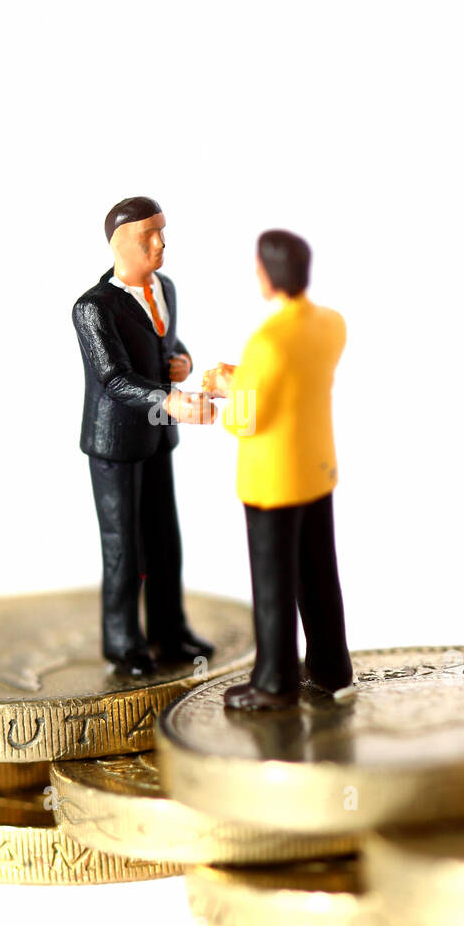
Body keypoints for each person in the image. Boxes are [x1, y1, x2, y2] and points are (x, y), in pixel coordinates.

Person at [203, 230, 353, 709]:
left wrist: (228, 389)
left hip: (274, 480)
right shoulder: (330, 323)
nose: (256, 274)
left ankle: (274, 681)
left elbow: (248, 419)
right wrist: (243, 377)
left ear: (271, 275)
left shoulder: (267, 341)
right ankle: (331, 667)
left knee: (273, 584)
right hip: (316, 469)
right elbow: (292, 385)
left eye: (258, 267)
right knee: (319, 572)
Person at [73, 196, 216, 678]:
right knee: (123, 546)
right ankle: (123, 642)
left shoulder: (166, 288)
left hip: (158, 436)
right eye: (146, 236)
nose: (159, 243)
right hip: (115, 442)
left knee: (165, 538)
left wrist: (184, 362)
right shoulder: (93, 308)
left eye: (161, 232)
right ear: (119, 245)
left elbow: (165, 344)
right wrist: (170, 399)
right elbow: (113, 378)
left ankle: (169, 630)